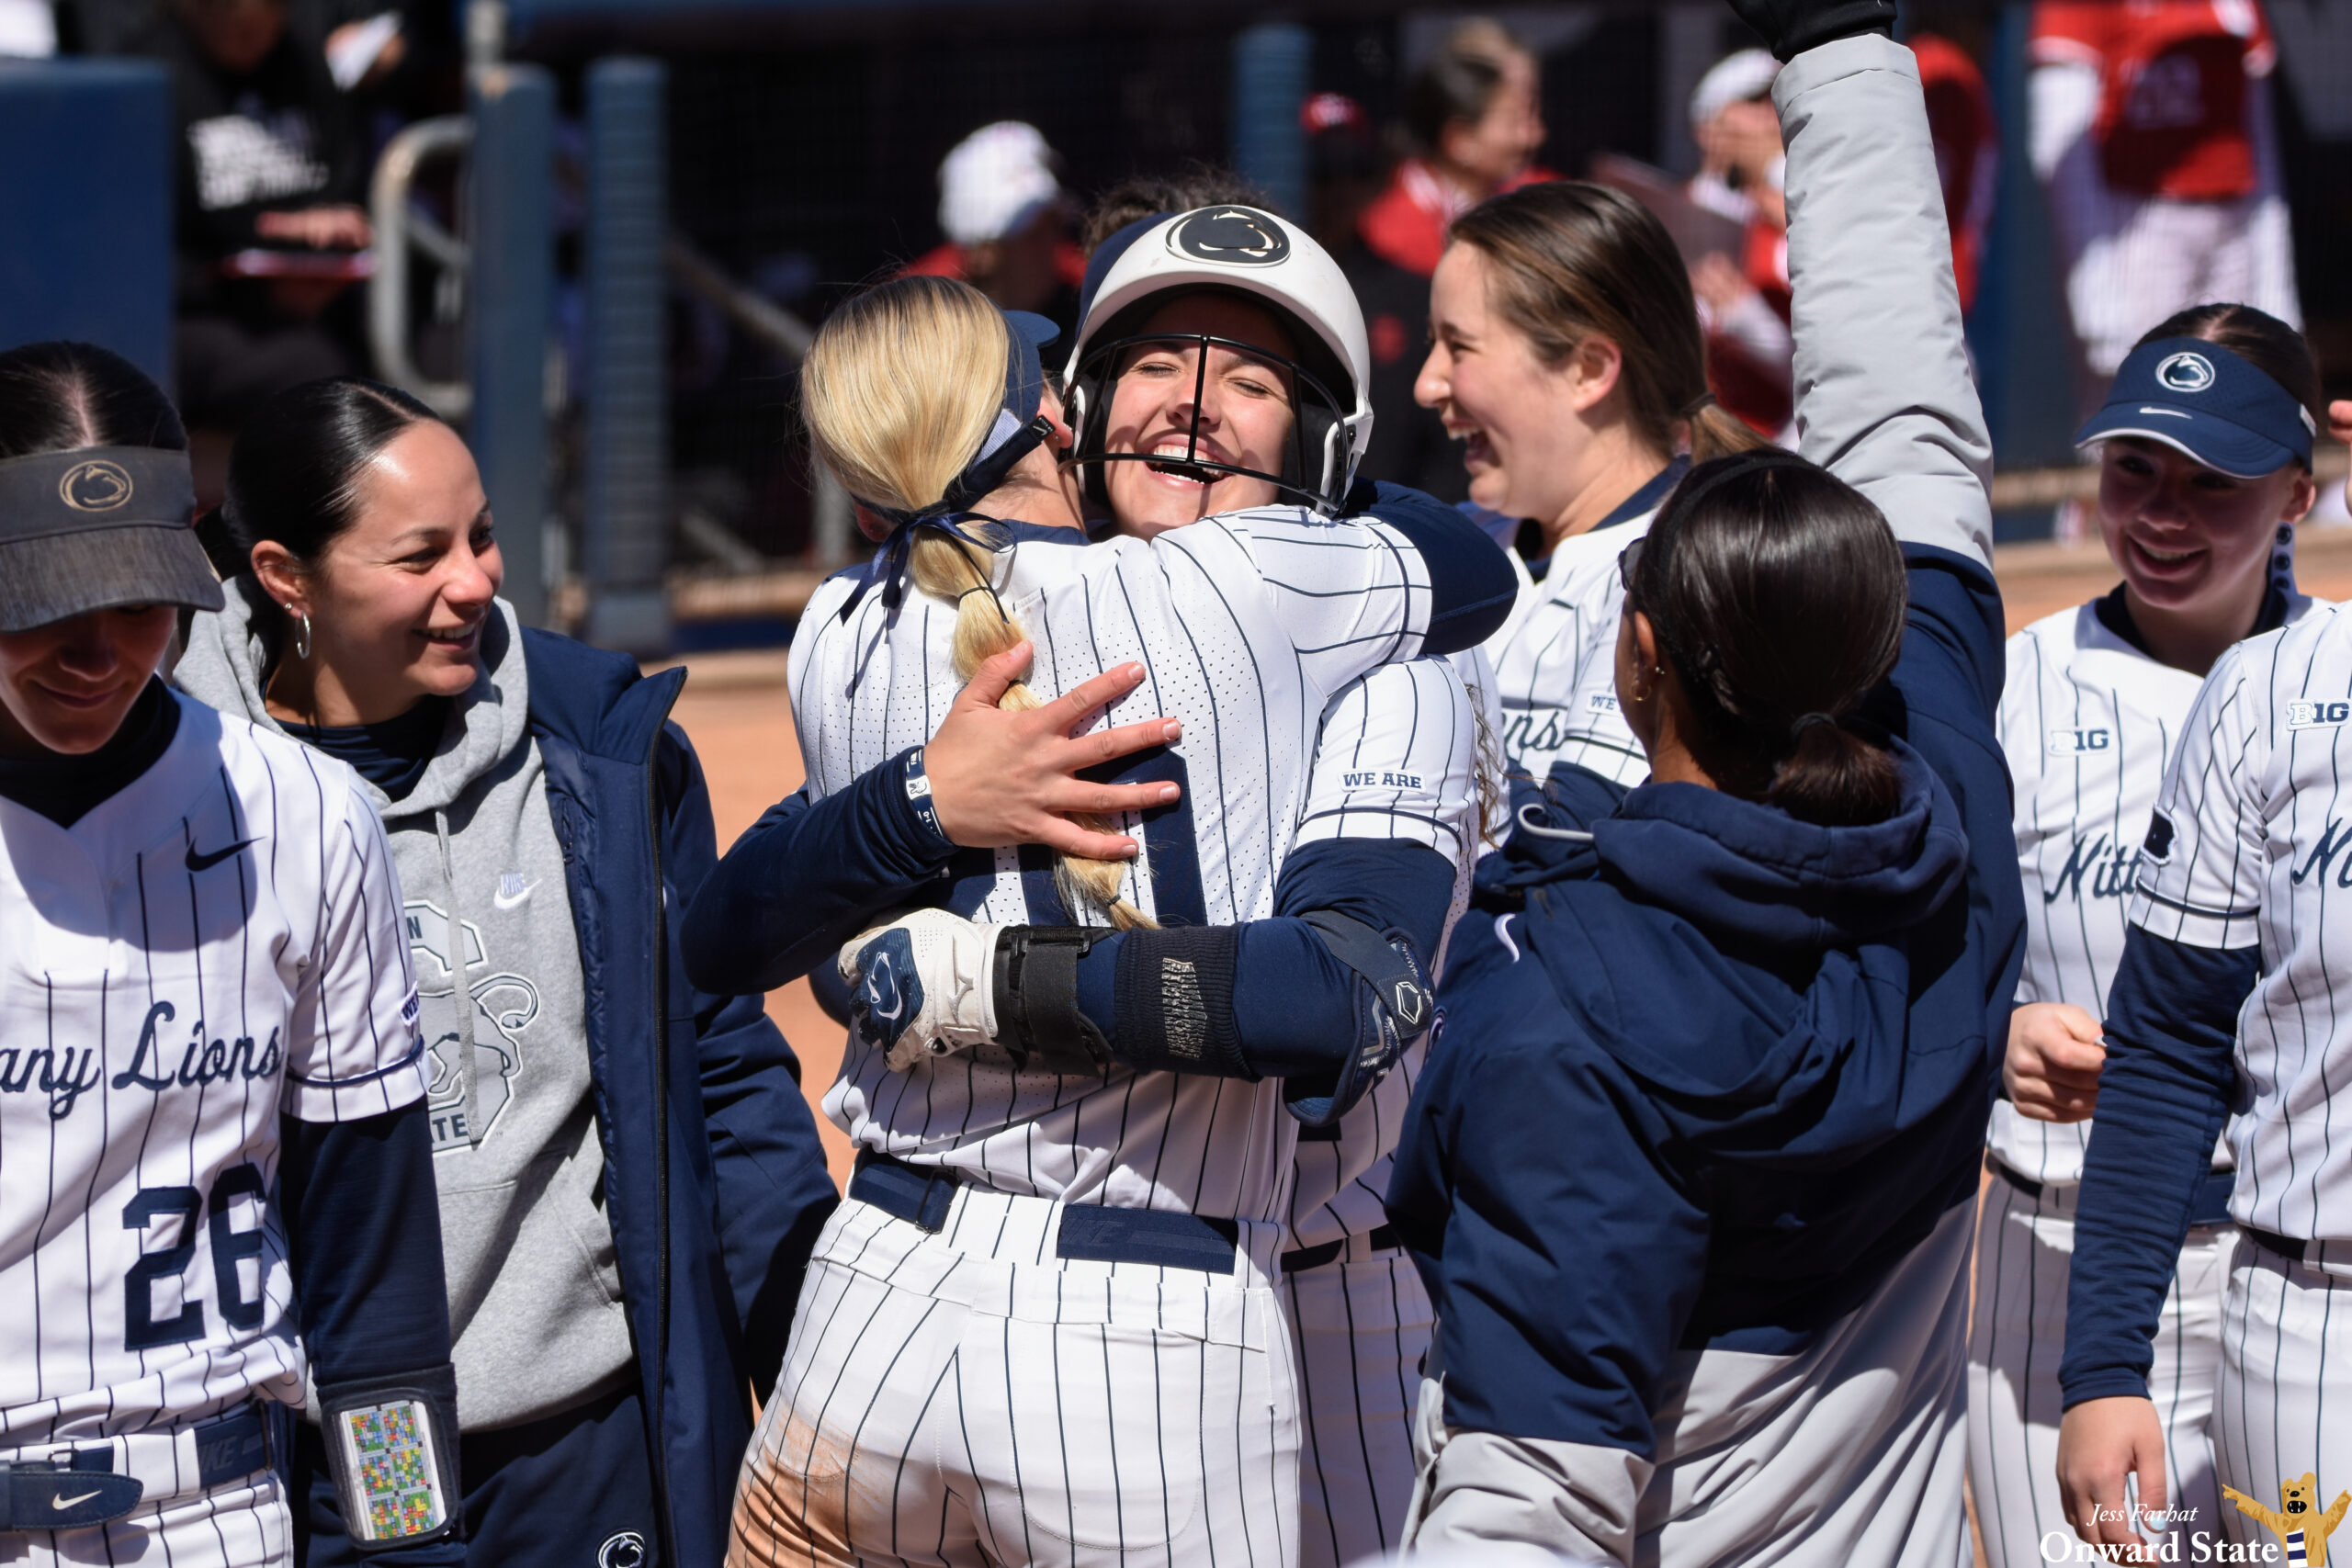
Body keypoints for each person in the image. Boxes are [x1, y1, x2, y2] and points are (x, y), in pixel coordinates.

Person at [699, 224, 1515, 1562]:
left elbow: (1343, 993)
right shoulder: (1265, 586)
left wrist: (958, 960)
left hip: (919, 1293)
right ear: (1063, 415)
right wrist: (924, 808)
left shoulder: (838, 621)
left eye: (1248, 376)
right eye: (1145, 364)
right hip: (1153, 1319)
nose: (1191, 402)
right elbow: (1468, 562)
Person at [1387, 5, 2028, 1561]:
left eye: (1458, 344)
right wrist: (1849, 55)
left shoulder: (1565, 1030)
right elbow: (1912, 443)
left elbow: (1526, 1497)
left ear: (1644, 646)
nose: (1426, 386)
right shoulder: (1960, 872)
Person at [174, 377, 836, 1568]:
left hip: (588, 1436)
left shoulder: (596, 745)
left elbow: (724, 1071)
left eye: (480, 535)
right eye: (419, 553)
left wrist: (804, 1357)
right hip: (340, 1449)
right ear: (285, 576)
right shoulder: (182, 787)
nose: (475, 580)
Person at [0, 342, 462, 1564]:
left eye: (136, 596)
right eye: (47, 602)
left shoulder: (305, 815)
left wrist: (407, 1538)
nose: (97, 651)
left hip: (213, 1512)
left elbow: (373, 1266)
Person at [1969, 305, 2324, 1568]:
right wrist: (1991, 1027)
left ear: (2299, 489)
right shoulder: (2013, 683)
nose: (2163, 513)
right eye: (2135, 469)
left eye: (2210, 482)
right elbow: (1924, 941)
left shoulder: (2329, 694)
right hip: (2059, 1244)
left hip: (2299, 1261)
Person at [1414, 174, 1769, 797]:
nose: (1427, 384)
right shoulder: (1443, 542)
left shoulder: (1699, 566)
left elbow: (1582, 840)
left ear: (1588, 369)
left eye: (1458, 347)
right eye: (1430, 344)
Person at [2030, 0, 2301, 415]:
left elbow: (2259, 139)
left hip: (2234, 225)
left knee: (2235, 413)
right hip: (2136, 223)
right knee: (2137, 416)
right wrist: (2094, 283)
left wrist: (2276, 281)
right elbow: (2059, 142)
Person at [129, 0, 370, 435]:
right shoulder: (145, 76)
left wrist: (327, 230)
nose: (258, 39)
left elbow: (342, 175)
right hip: (199, 312)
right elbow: (136, 251)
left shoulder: (300, 61)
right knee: (313, 369)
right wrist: (259, 288)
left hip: (318, 296)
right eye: (240, 29)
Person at [1351, 17, 1554, 502]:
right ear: (1460, 138)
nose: (1533, 136)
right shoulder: (1386, 231)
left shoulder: (1537, 202)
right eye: (1514, 120)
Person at [899, 121, 1082, 328]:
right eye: (1032, 234)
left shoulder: (1090, 304)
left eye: (1055, 224)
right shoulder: (906, 324)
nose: (1051, 244)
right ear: (982, 253)